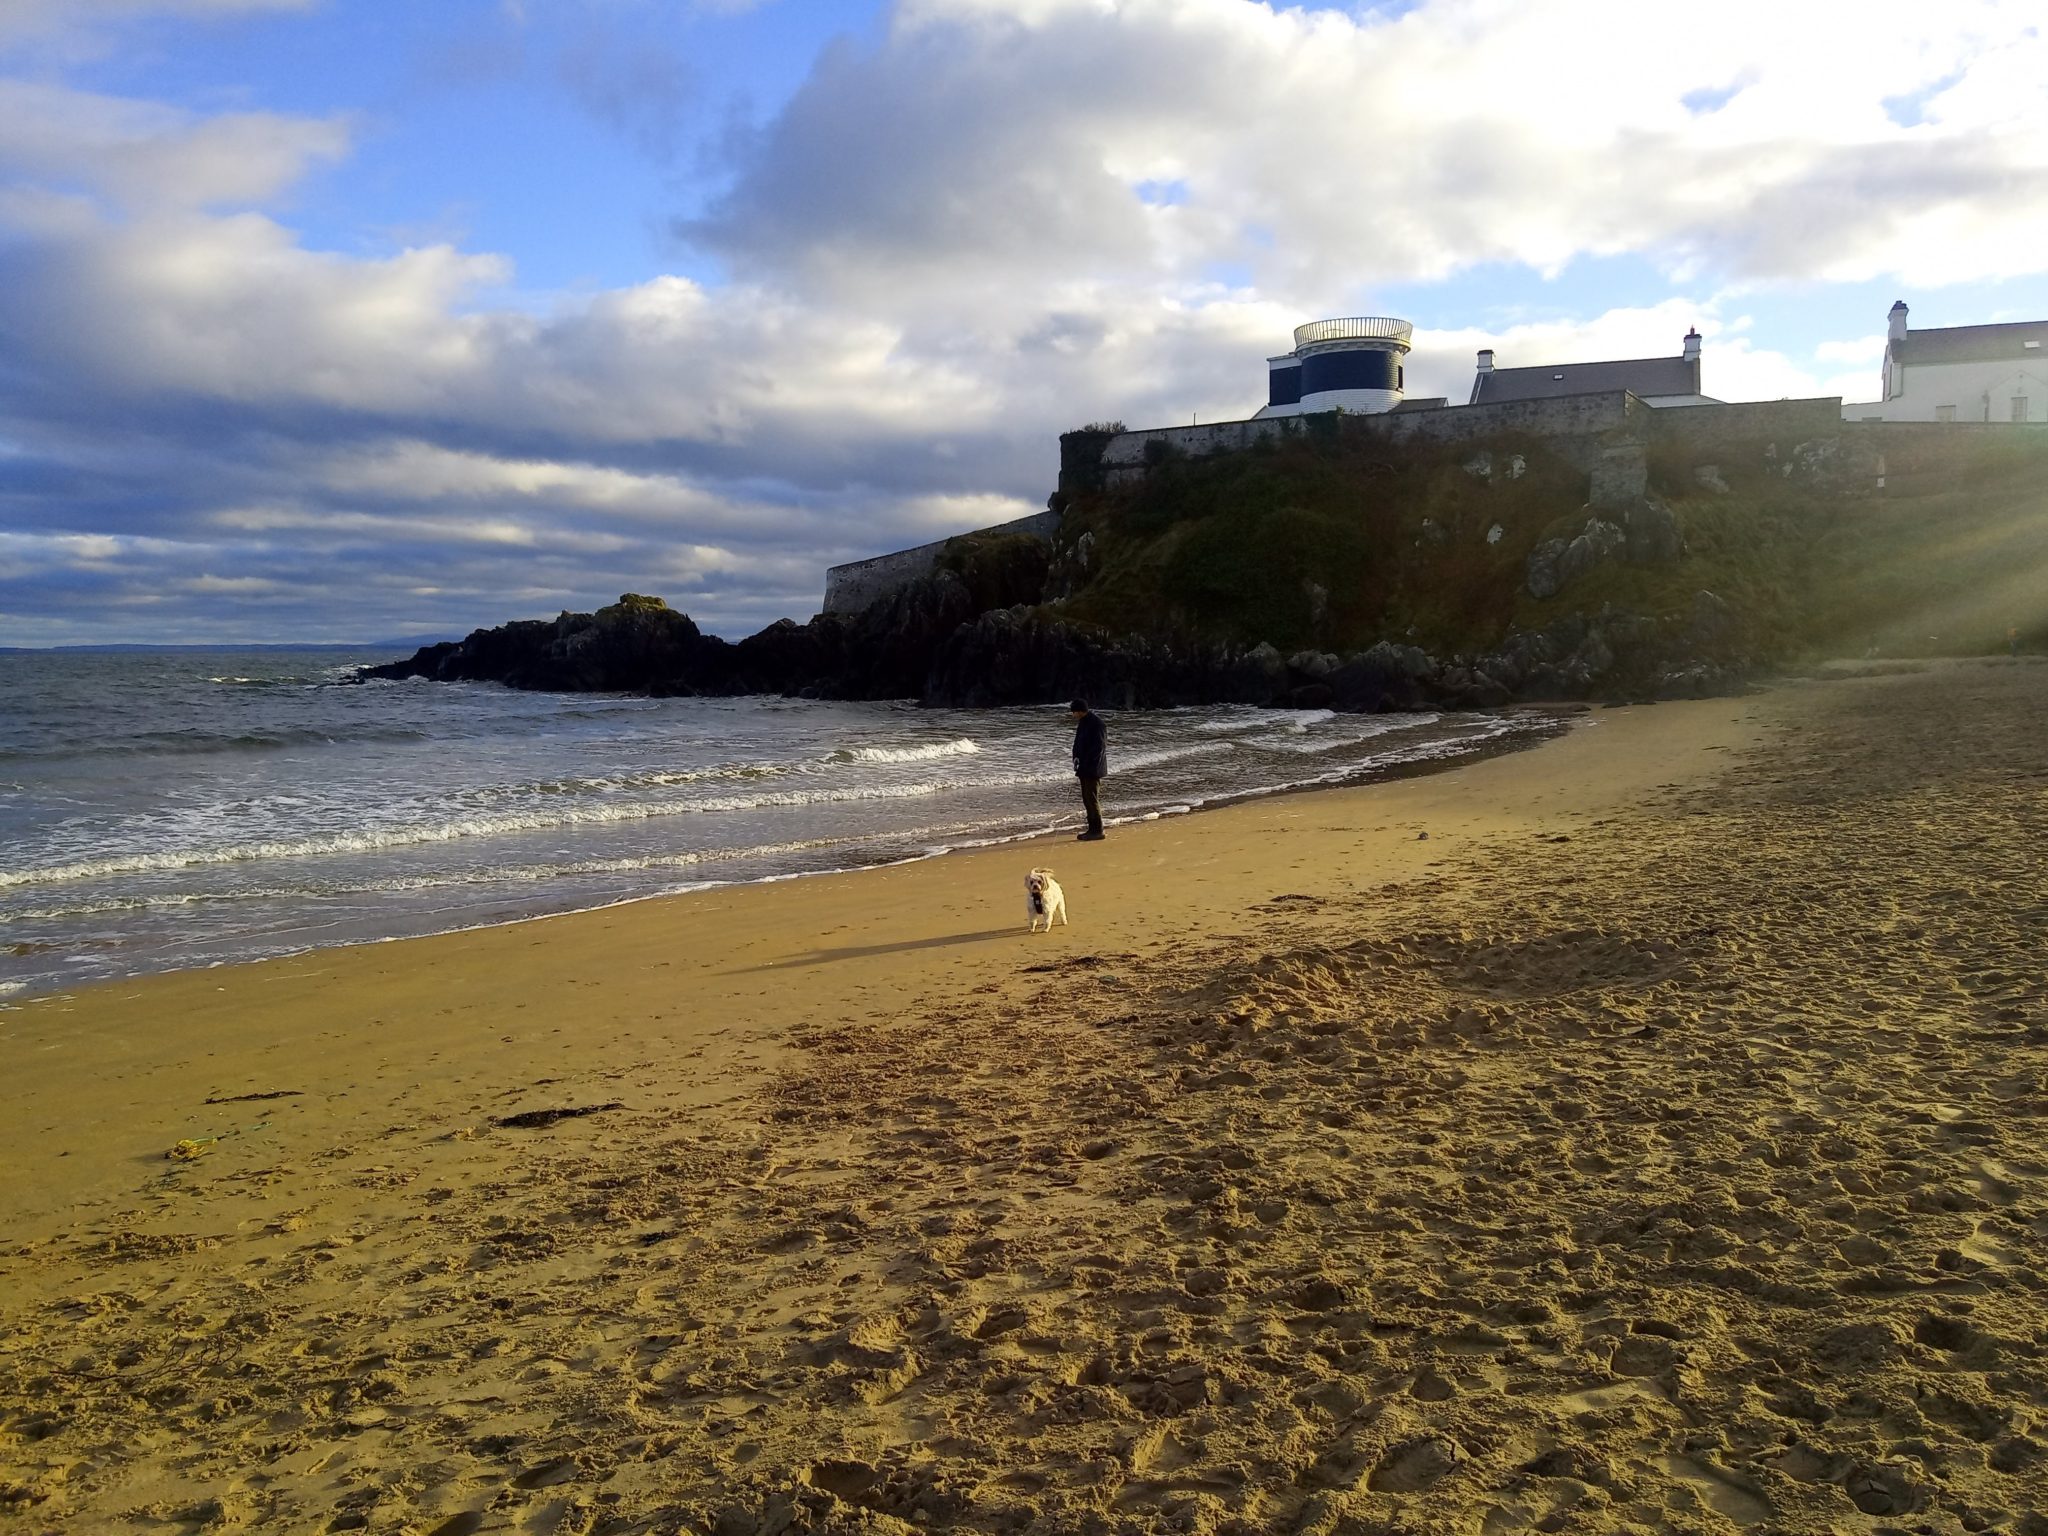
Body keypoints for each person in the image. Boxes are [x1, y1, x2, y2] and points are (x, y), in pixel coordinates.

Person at [1068, 698, 1107, 841]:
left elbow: (1099, 748)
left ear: (1079, 711)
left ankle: (1098, 830)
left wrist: (1086, 763)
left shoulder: (1097, 724)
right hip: (1083, 768)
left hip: (1093, 769)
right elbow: (1078, 744)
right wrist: (1076, 758)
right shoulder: (1083, 722)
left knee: (1092, 799)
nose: (1073, 715)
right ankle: (1091, 829)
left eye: (1073, 712)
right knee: (1086, 799)